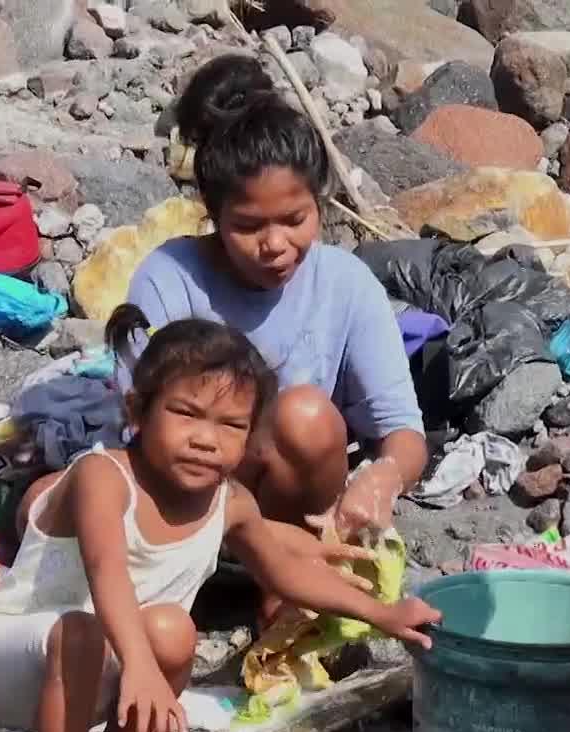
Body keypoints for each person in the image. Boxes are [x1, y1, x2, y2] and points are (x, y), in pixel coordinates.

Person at [0, 306, 442, 732]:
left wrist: (384, 612)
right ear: (137, 412)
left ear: (250, 439)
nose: (204, 438)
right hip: (15, 662)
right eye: (184, 413)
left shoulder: (230, 501)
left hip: (108, 667)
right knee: (87, 630)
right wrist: (136, 665)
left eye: (230, 425)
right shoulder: (102, 476)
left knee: (174, 629)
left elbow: (286, 569)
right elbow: (106, 569)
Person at [117, 55, 427, 583]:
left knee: (305, 415)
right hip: (189, 508)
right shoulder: (168, 279)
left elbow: (403, 432)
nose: (276, 246)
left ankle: (283, 590)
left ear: (320, 204)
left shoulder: (345, 283)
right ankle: (255, 573)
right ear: (213, 216)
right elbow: (139, 431)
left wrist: (383, 477)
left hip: (296, 517)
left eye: (295, 220)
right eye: (248, 226)